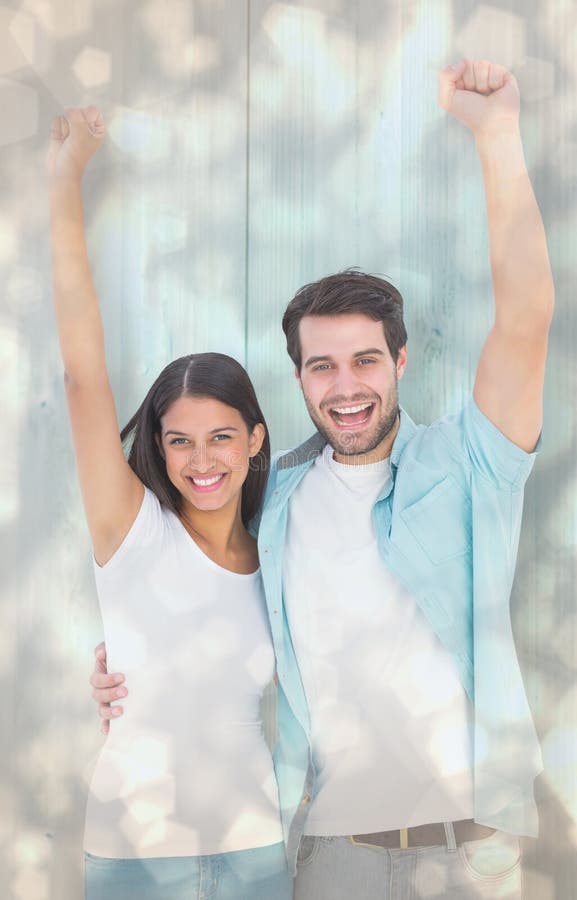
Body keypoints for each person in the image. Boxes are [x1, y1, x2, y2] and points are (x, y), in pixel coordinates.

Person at [93, 58, 553, 899]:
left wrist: (496, 137)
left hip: (469, 854)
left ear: (401, 360)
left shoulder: (472, 465)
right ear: (299, 378)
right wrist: (127, 663)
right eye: (322, 366)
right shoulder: (275, 503)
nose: (346, 388)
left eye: (366, 360)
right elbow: (200, 593)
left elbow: (525, 318)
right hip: (328, 853)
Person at [48, 107, 293, 900]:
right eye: (178, 441)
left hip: (254, 851)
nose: (200, 460)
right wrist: (64, 180)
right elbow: (84, 376)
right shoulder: (133, 531)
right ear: (157, 447)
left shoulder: (280, 548)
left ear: (255, 440)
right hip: (132, 856)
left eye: (220, 437)